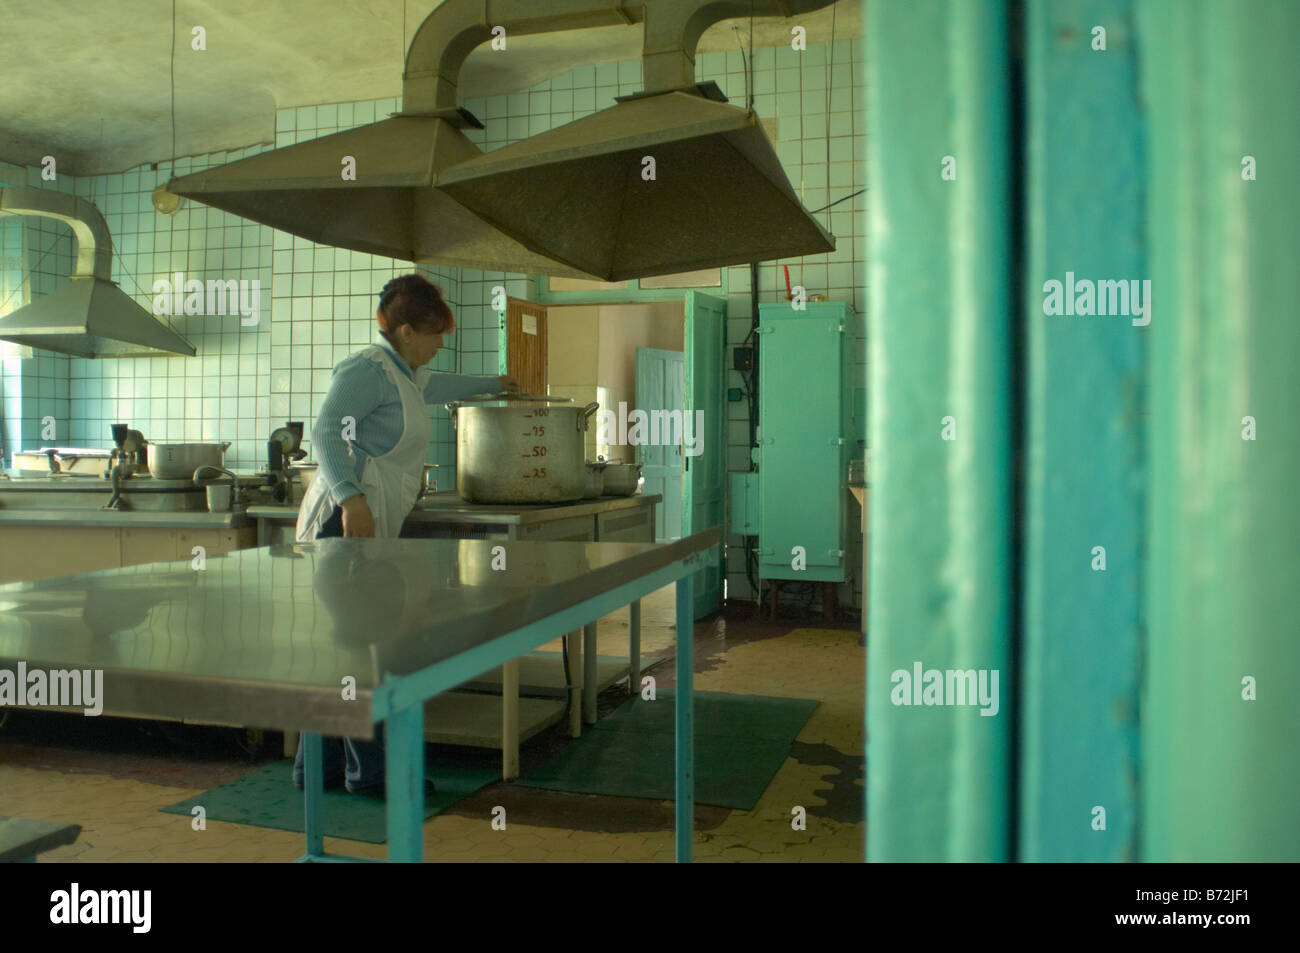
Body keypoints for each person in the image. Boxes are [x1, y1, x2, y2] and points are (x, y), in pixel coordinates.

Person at [291, 273, 519, 796]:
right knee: (364, 648)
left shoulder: (405, 372)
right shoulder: (366, 368)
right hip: (343, 519)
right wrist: (351, 499)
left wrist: (494, 383)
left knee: (345, 648)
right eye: (436, 333)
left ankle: (316, 769)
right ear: (406, 331)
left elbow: (439, 388)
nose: (442, 343)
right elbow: (327, 429)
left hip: (365, 518)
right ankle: (372, 775)